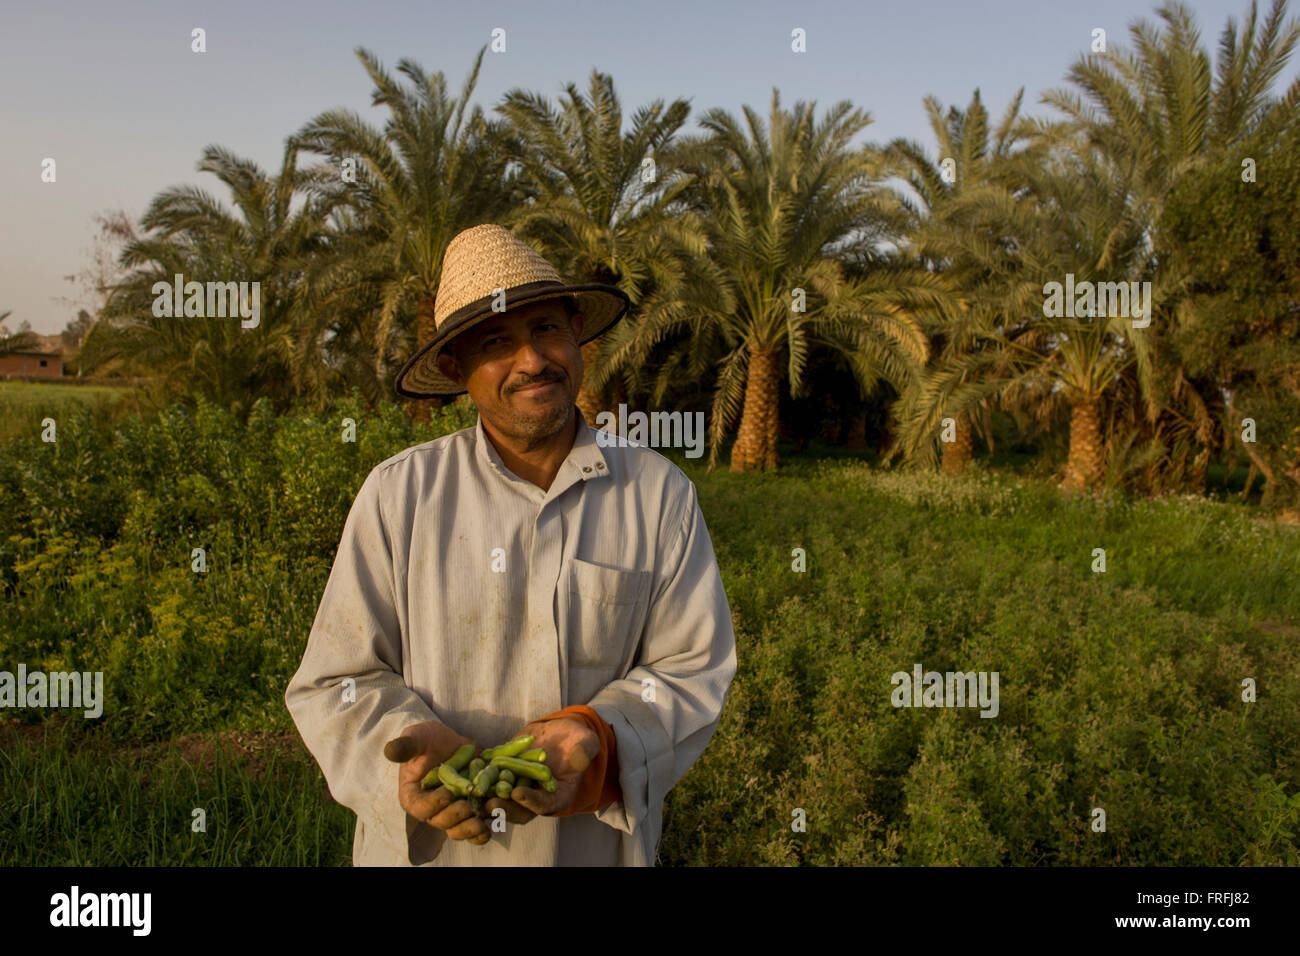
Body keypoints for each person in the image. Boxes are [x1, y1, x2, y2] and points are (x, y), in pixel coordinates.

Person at [284, 223, 737, 865]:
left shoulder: (657, 494)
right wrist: (406, 757)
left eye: (545, 329)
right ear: (455, 368)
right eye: (496, 342)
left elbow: (692, 669)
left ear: (576, 333)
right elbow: (335, 682)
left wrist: (598, 738)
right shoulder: (399, 496)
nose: (531, 361)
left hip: (588, 850)